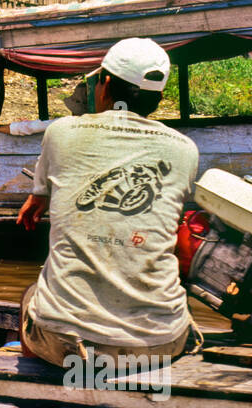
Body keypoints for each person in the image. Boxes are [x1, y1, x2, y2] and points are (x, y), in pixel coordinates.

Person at [15, 37, 200, 375]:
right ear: (158, 100)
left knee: (31, 294)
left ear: (105, 85)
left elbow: (40, 193)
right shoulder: (185, 149)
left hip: (67, 345)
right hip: (160, 343)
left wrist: (38, 197)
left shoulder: (61, 132)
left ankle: (37, 386)